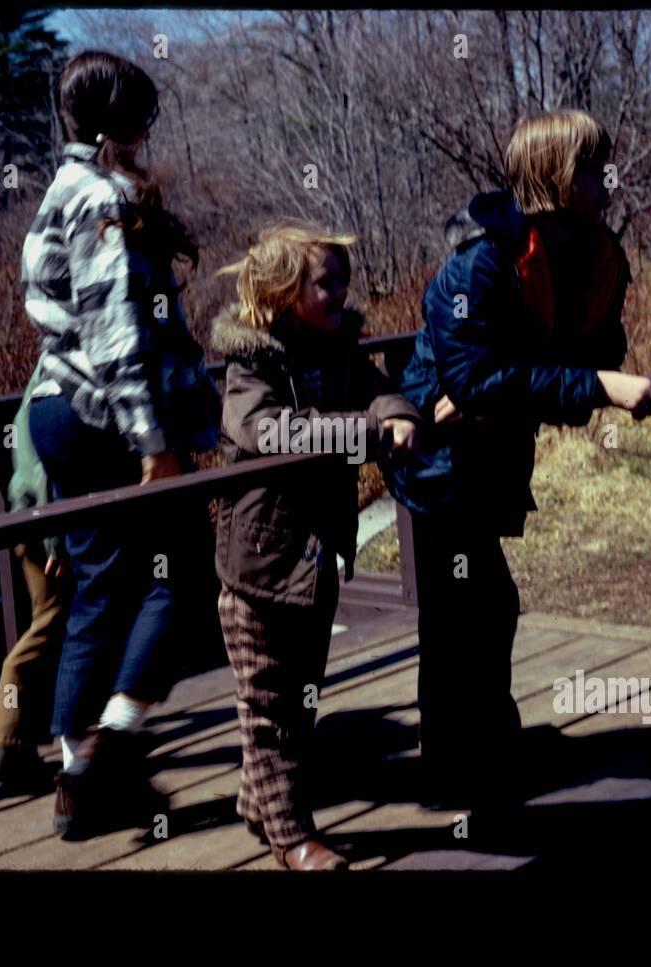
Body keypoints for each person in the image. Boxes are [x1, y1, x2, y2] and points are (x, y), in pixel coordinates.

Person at [385, 109, 651, 814]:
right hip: (437, 459)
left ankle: (484, 747)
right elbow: (474, 380)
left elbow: (598, 348)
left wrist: (511, 386)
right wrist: (568, 388)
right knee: (463, 614)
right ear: (553, 176)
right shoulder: (479, 259)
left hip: (492, 449)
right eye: (592, 166)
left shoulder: (591, 248)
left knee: (485, 608)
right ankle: (457, 772)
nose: (609, 176)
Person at [22, 50, 220, 839]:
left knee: (102, 590)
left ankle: (80, 779)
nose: (148, 130)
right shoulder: (101, 198)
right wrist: (153, 442)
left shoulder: (60, 189)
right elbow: (118, 334)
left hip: (57, 410)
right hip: (106, 415)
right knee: (181, 576)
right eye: (141, 116)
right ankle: (108, 752)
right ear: (115, 122)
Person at [210, 223, 420, 870]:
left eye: (342, 280)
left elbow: (376, 387)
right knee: (269, 706)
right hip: (259, 567)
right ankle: (292, 835)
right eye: (323, 282)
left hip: (313, 560)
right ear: (279, 292)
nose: (340, 292)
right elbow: (268, 428)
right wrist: (366, 432)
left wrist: (398, 413)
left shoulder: (337, 349)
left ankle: (260, 801)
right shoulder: (253, 364)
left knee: (299, 700)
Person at [0, 362, 72, 792]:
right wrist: (55, 538)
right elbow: (43, 467)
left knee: (55, 622)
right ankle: (6, 744)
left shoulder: (47, 369)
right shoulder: (59, 378)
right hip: (41, 524)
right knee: (51, 625)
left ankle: (24, 743)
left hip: (28, 516)